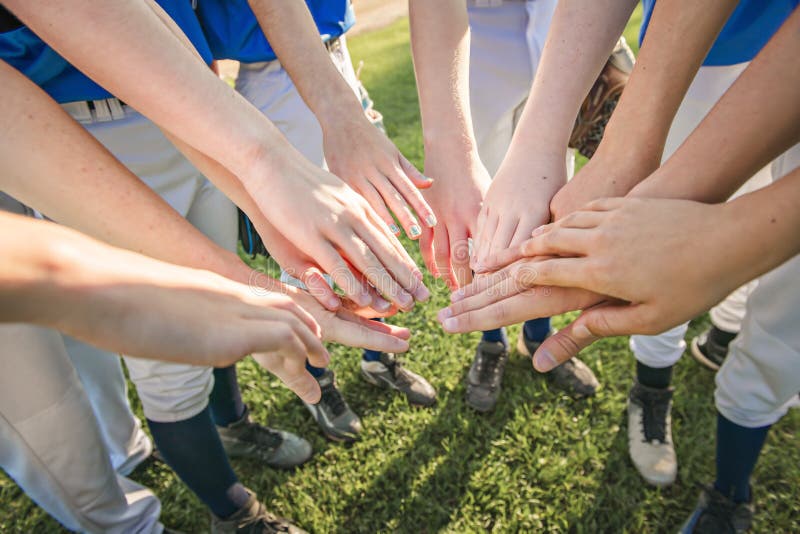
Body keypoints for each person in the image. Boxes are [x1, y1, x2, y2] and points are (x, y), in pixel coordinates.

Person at [0, 1, 421, 530]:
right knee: (86, 404)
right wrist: (264, 171)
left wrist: (265, 171)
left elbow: (116, 17)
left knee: (219, 320)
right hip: (68, 132)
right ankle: (219, 513)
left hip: (171, 97)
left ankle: (222, 428)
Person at [438, 4, 800, 530]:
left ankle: (731, 487)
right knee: (639, 258)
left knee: (784, 321)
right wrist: (621, 158)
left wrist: (731, 239)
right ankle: (653, 390)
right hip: (698, 47)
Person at [195, 0, 437, 442]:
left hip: (336, 61)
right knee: (313, 257)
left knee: (373, 234)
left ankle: (378, 360)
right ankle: (320, 385)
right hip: (273, 72)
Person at [407, 0, 615, 413]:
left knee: (550, 204)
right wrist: (448, 150)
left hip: (565, 26)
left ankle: (537, 333)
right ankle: (492, 341)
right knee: (481, 215)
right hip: (475, 31)